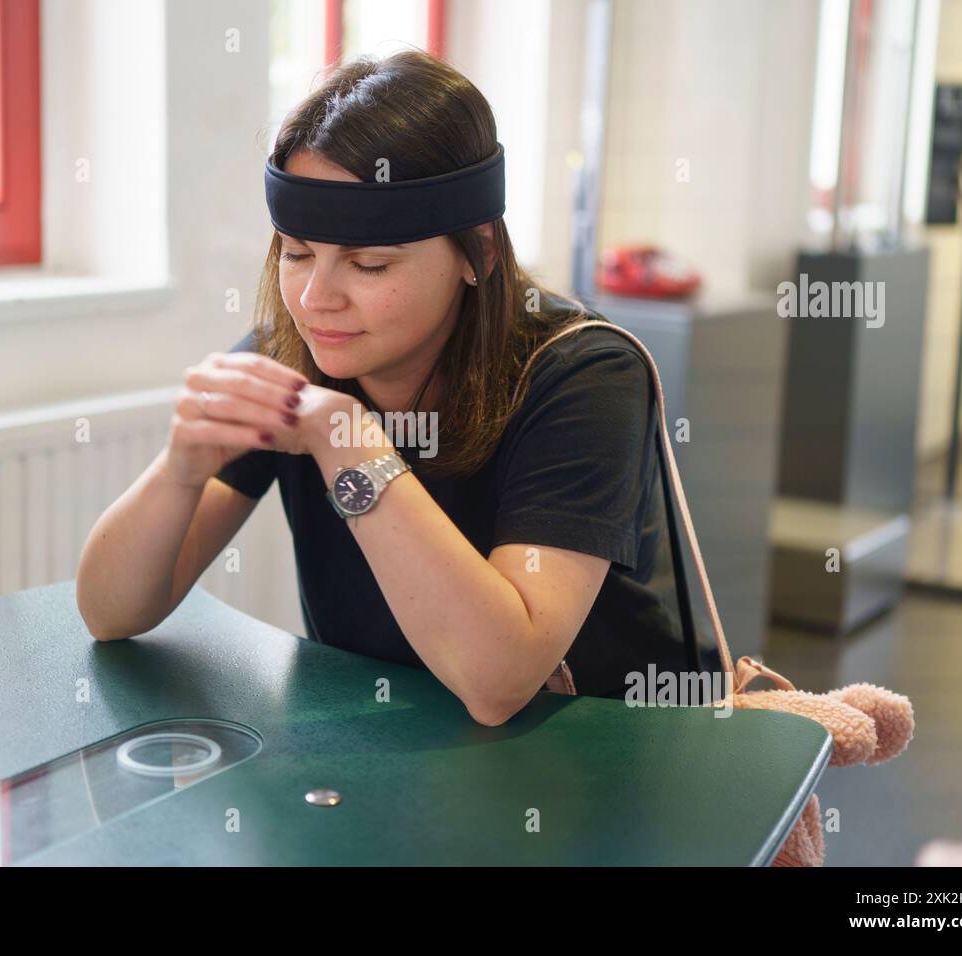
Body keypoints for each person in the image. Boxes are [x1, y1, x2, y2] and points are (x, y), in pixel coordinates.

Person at [76, 50, 707, 725]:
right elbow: (110, 613)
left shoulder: (583, 375)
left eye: (369, 264)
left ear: (479, 256)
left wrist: (345, 443)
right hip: (399, 747)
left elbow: (498, 683)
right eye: (296, 253)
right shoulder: (290, 359)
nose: (317, 299)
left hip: (606, 756)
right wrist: (180, 470)